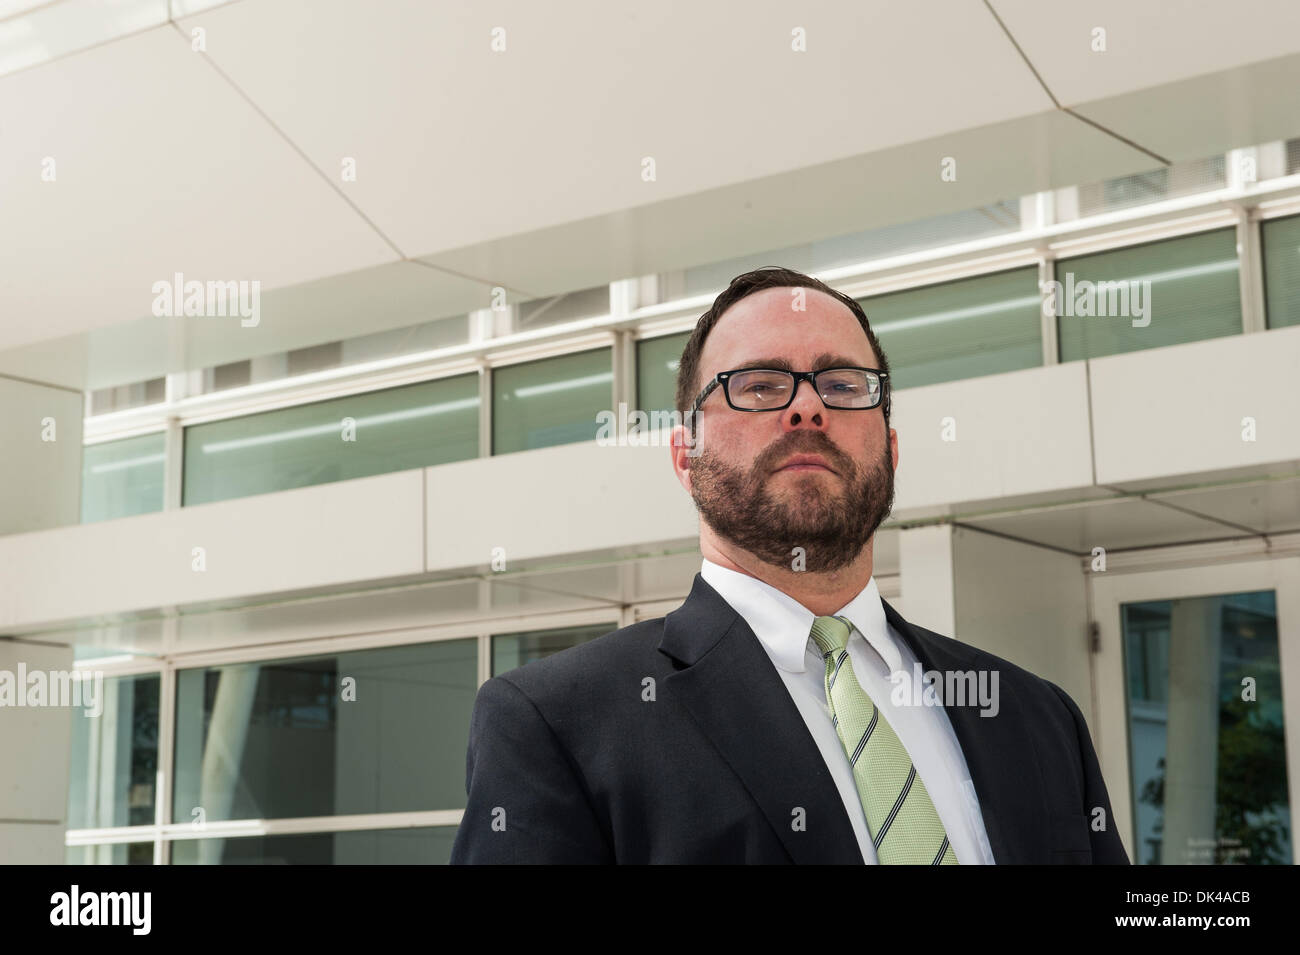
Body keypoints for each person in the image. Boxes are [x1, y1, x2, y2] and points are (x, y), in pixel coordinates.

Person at [451, 266, 1130, 864]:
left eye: (842, 383)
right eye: (759, 384)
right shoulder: (557, 723)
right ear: (685, 454)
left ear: (890, 448)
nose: (808, 405)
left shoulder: (1036, 717)